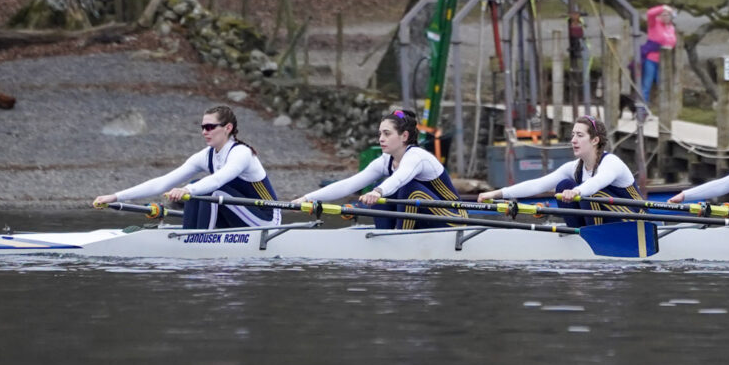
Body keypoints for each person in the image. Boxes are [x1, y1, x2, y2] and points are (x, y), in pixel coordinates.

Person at [93, 105, 282, 230]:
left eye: (210, 127)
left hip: (266, 219)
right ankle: (191, 236)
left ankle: (198, 241)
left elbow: (218, 180)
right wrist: (116, 196)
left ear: (228, 128)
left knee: (211, 190)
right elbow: (162, 183)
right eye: (202, 127)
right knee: (196, 185)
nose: (204, 132)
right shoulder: (204, 156)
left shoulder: (242, 153)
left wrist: (186, 190)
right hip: (239, 215)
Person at [294, 109, 466, 229]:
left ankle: (399, 239)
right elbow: (349, 185)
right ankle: (384, 237)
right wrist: (307, 198)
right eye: (380, 134)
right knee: (386, 193)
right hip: (424, 218)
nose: (381, 139)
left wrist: (377, 191)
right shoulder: (385, 161)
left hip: (452, 218)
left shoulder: (417, 157)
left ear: (404, 136)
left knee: (406, 188)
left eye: (387, 134)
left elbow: (399, 178)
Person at [478, 115, 644, 226]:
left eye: (579, 135)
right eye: (572, 135)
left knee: (587, 192)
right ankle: (577, 236)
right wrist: (496, 194)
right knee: (563, 184)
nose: (573, 140)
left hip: (637, 220)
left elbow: (596, 183)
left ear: (595, 140)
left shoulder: (611, 163)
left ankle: (593, 238)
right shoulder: (574, 167)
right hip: (609, 221)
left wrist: (577, 191)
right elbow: (538, 185)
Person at [640, 4, 678, 106]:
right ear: (659, 16)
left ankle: (665, 109)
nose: (666, 17)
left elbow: (672, 42)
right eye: (663, 15)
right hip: (651, 60)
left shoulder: (671, 28)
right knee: (646, 84)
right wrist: (663, 7)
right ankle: (643, 109)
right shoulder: (654, 24)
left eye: (668, 15)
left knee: (663, 85)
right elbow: (650, 13)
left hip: (664, 61)